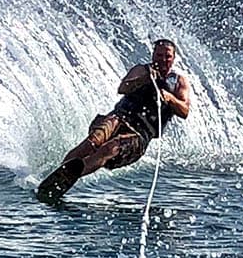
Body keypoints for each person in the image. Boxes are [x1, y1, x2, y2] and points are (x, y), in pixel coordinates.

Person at [37, 39, 190, 203]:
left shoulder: (179, 82)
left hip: (139, 135)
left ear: (174, 58)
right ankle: (56, 176)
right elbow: (123, 88)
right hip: (120, 118)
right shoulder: (141, 70)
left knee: (110, 148)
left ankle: (68, 177)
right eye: (159, 55)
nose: (163, 59)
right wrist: (142, 80)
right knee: (92, 142)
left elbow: (185, 111)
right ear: (153, 55)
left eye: (167, 56)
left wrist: (170, 98)